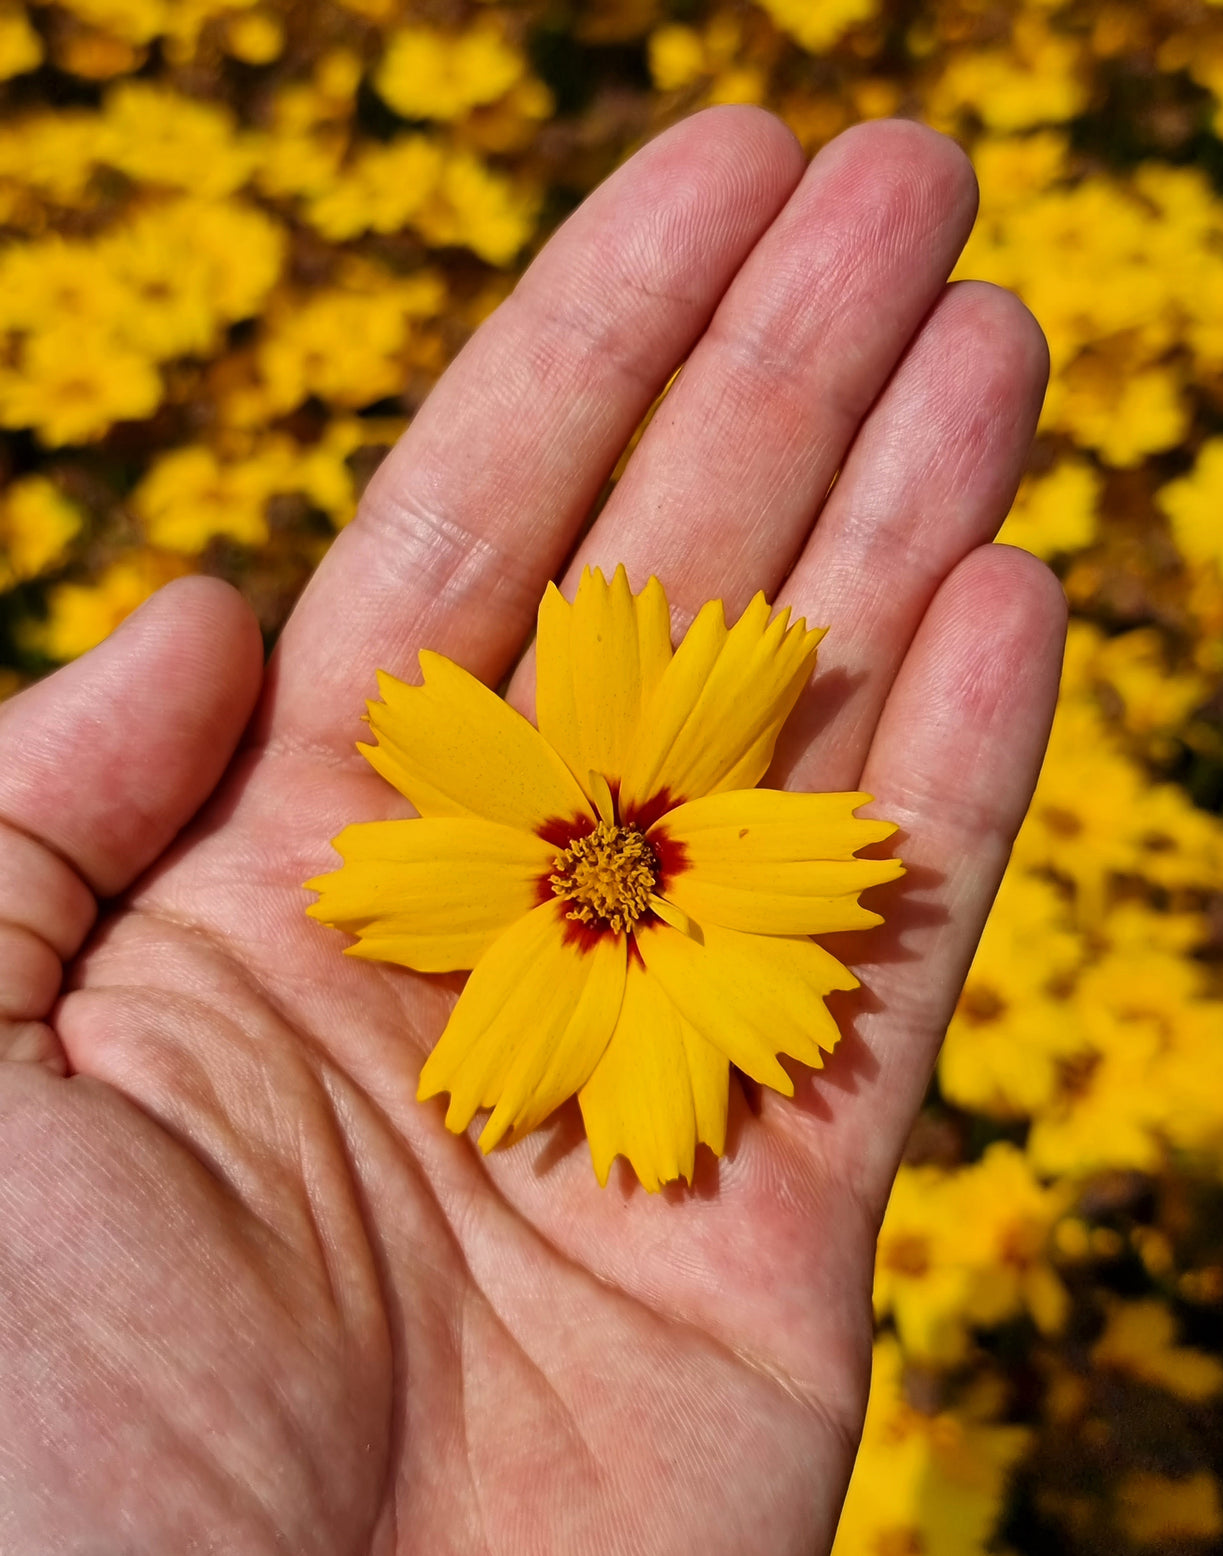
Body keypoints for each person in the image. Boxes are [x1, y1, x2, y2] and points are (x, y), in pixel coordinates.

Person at [0, 107, 1063, 1553]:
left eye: (608, 870)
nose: (609, 873)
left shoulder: (646, 854)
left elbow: (768, 964)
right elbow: (490, 975)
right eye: (599, 870)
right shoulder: (529, 871)